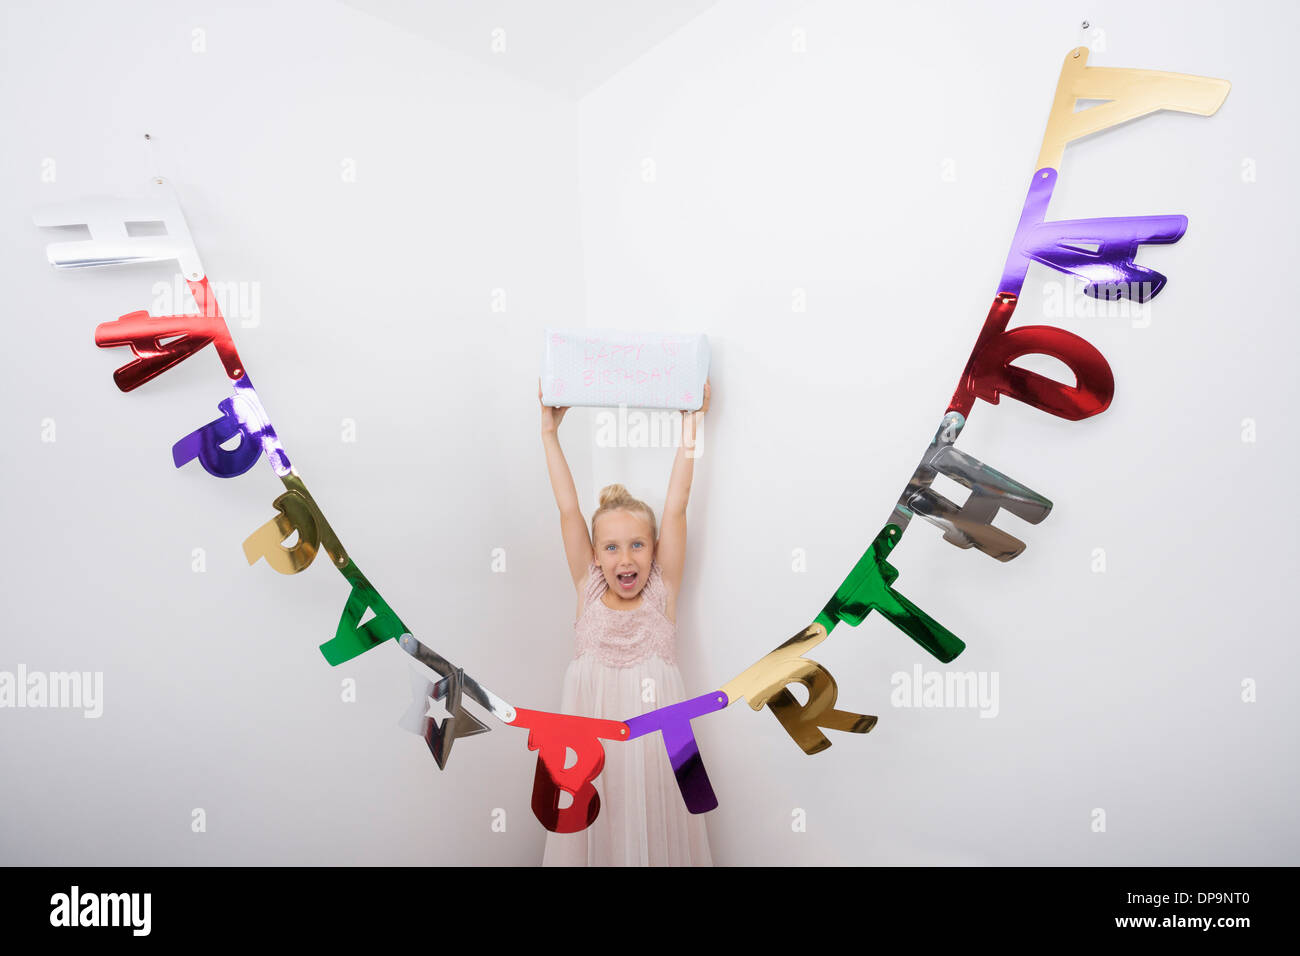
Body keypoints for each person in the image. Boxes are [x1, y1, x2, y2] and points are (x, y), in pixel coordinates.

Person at [537, 378, 714, 866]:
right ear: (596, 555)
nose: (625, 558)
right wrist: (550, 433)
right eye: (612, 547)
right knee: (601, 819)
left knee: (656, 817)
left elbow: (677, 504)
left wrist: (692, 422)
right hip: (591, 738)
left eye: (637, 544)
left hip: (657, 740)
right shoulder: (587, 586)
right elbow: (568, 507)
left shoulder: (662, 590)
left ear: (654, 550)